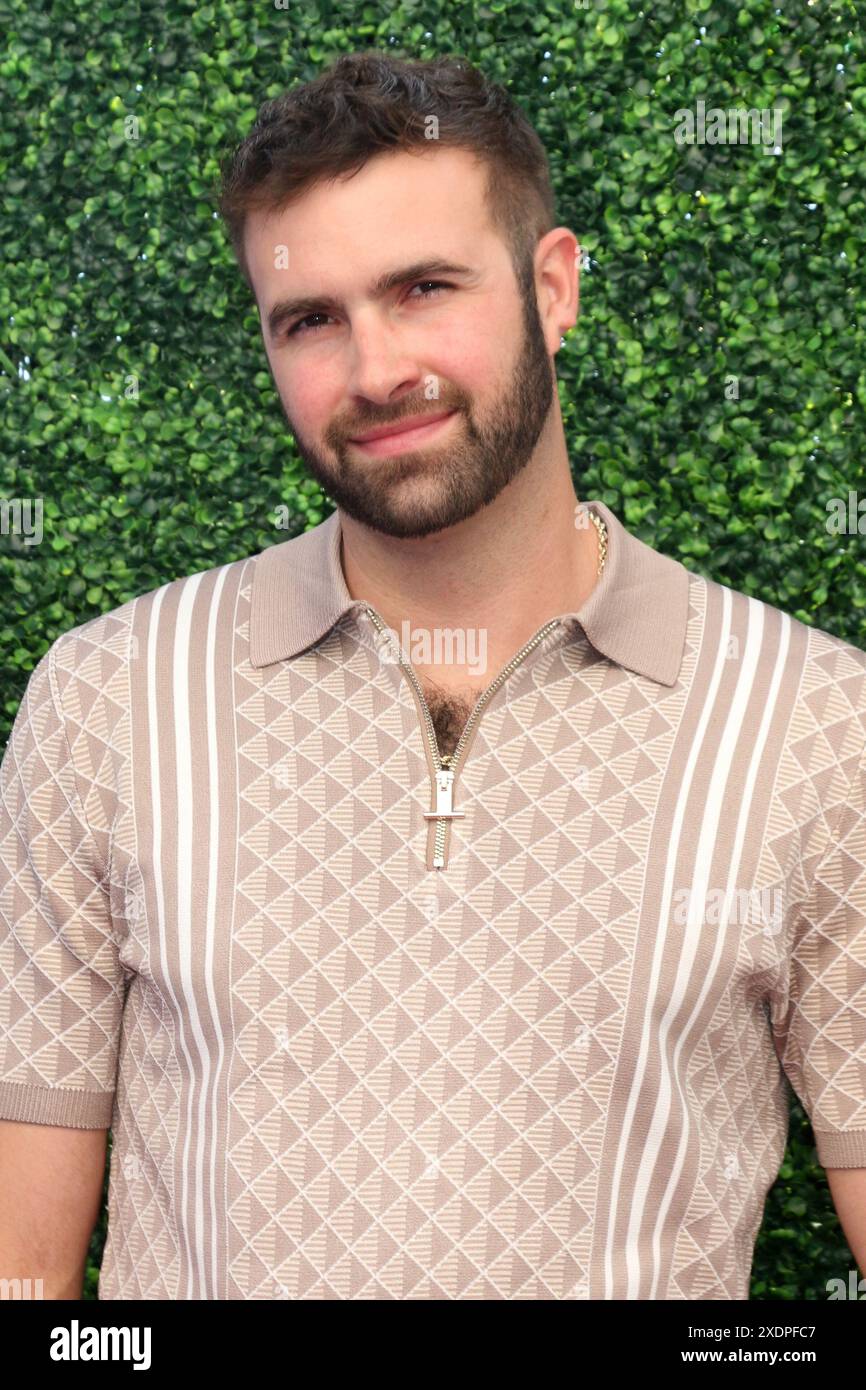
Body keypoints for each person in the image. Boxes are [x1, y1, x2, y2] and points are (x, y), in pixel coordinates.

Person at [1, 50, 864, 1301]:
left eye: (422, 288)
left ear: (551, 285)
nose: (373, 371)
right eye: (312, 319)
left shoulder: (814, 725)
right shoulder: (106, 701)